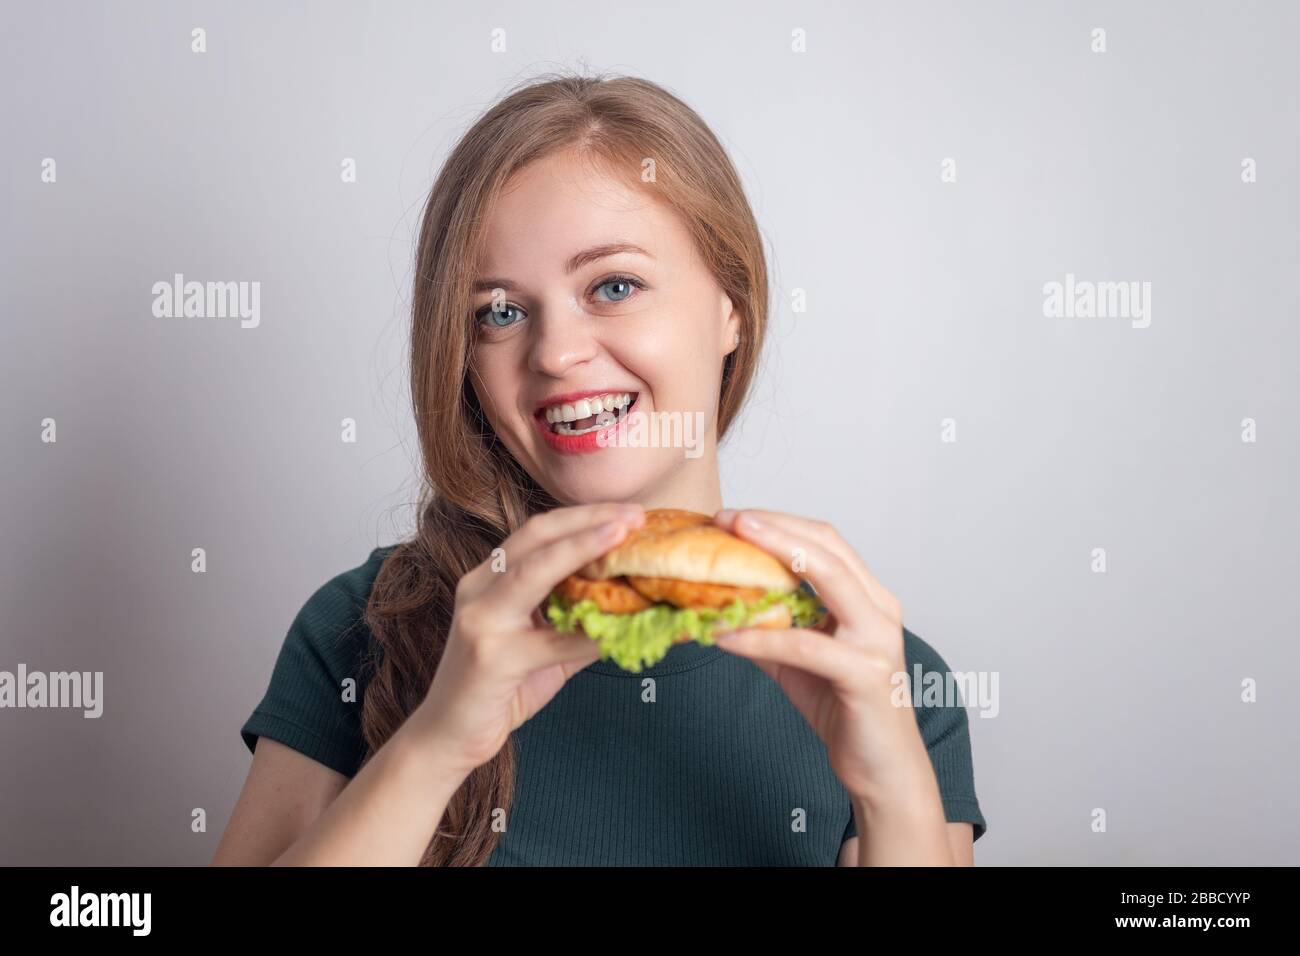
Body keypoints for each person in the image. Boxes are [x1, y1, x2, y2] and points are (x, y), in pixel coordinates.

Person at [212, 72, 987, 866]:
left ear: (732, 308)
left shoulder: (881, 673)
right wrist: (437, 743)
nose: (554, 352)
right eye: (500, 313)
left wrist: (890, 780)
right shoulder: (363, 629)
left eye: (614, 286)